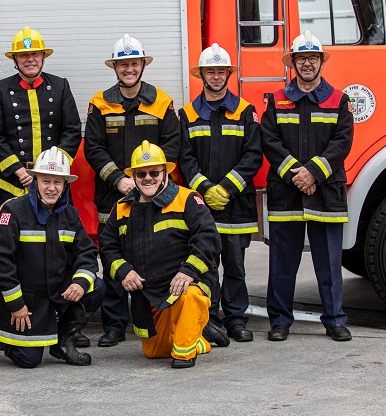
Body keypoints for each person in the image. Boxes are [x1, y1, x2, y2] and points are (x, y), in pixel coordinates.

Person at [84, 34, 180, 349]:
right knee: (113, 257)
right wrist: (117, 179)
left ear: (142, 65)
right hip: (113, 195)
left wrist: (145, 181)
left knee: (151, 255)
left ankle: (149, 317)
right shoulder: (100, 103)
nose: (129, 69)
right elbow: (93, 149)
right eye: (123, 64)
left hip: (151, 195)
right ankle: (114, 326)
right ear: (116, 67)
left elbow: (172, 146)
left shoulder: (162, 102)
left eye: (134, 63)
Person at [261, 30, 354, 342]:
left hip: (324, 191)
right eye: (302, 58)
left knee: (329, 263)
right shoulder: (276, 101)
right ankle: (280, 322)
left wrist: (312, 173)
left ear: (320, 62)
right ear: (293, 63)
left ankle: (335, 320)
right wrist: (296, 174)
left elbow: (342, 142)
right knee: (282, 264)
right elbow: (269, 141)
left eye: (313, 58)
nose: (308, 63)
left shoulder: (339, 100)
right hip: (287, 192)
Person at [99, 141, 221, 369]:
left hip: (185, 285)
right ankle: (199, 337)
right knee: (154, 352)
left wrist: (189, 271)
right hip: (150, 295)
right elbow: (107, 246)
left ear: (166, 173)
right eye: (141, 173)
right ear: (133, 177)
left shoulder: (187, 199)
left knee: (191, 296)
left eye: (154, 172)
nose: (148, 178)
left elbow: (208, 238)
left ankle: (186, 353)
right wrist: (124, 271)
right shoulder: (121, 207)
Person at [0, 146, 105, 368]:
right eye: (46, 181)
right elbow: (0, 262)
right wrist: (16, 305)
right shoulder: (13, 211)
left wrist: (80, 282)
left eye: (57, 182)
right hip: (25, 300)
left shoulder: (70, 214)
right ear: (35, 180)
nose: (51, 188)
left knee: (95, 286)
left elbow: (87, 253)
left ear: (65, 185)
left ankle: (62, 341)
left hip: (56, 294)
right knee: (28, 361)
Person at [178, 43, 262, 345]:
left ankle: (236, 320)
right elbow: (184, 158)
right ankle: (209, 319)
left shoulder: (245, 111)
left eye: (221, 71)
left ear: (229, 73)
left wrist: (225, 188)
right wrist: (204, 188)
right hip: (203, 207)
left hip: (235, 204)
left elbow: (253, 155)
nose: (216, 76)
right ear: (201, 74)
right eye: (210, 71)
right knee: (206, 265)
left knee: (236, 266)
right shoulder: (186, 114)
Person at [0, 26, 82, 205]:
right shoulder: (0, 90)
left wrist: (51, 169)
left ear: (43, 58)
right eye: (23, 55)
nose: (30, 60)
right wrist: (19, 170)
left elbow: (73, 130)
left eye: (35, 54)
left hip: (54, 180)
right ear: (15, 59)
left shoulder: (60, 86)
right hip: (14, 181)